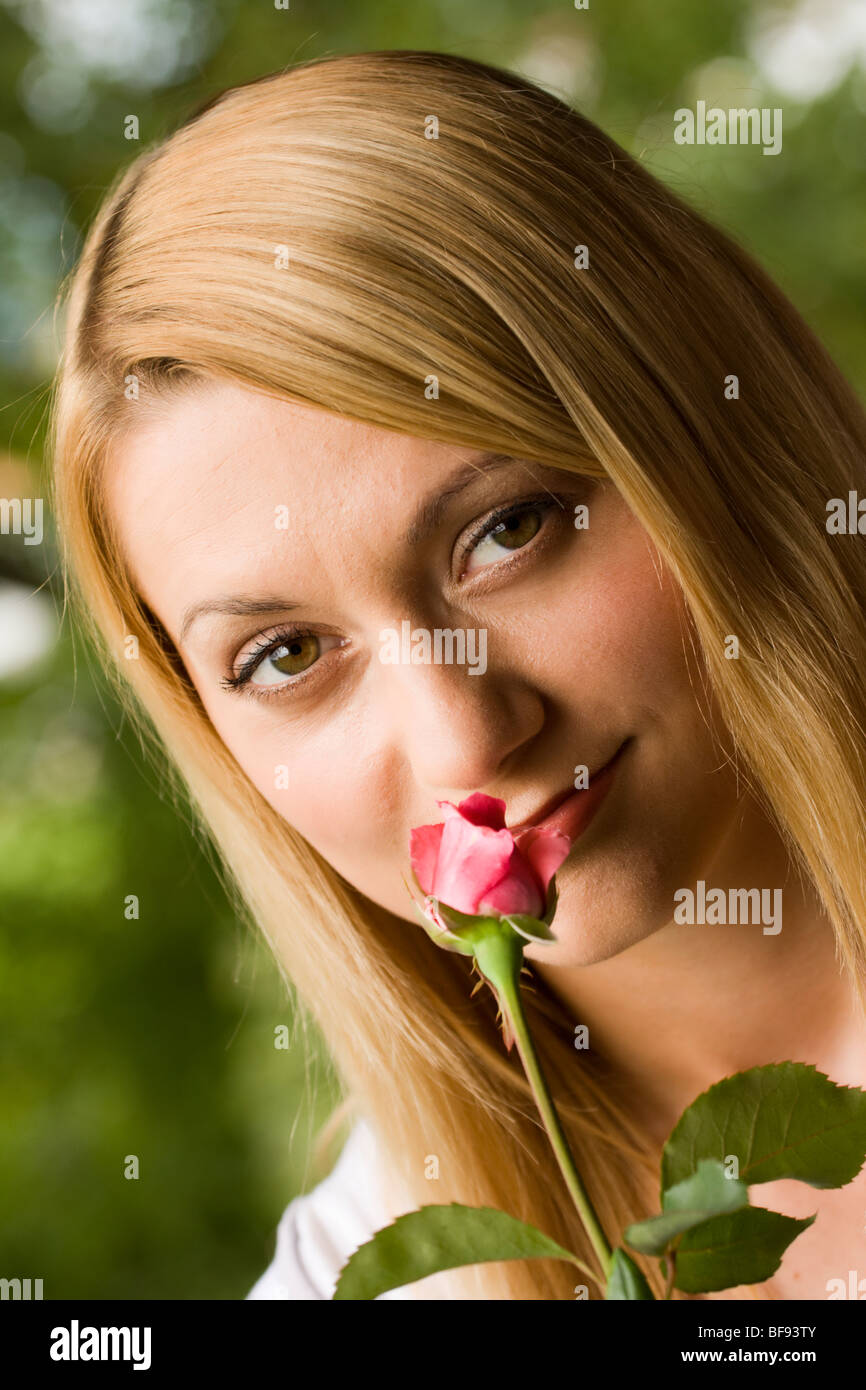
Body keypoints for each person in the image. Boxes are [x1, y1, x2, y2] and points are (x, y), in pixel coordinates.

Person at [50, 49, 866, 1300]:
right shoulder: (363, 1275)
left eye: (507, 529)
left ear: (705, 429)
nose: (462, 741)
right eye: (285, 655)